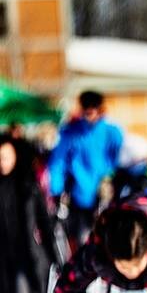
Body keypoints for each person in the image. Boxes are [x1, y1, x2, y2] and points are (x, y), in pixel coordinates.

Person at [0, 135, 58, 293]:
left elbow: (44, 223)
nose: (2, 162)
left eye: (6, 157)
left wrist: (54, 256)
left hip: (23, 258)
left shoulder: (27, 184)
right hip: (0, 260)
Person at [47, 91, 124, 248]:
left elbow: (121, 157)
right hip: (78, 196)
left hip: (104, 192)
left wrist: (111, 177)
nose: (89, 114)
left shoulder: (112, 132)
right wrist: (57, 189)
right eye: (86, 110)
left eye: (93, 110)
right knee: (83, 238)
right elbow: (58, 162)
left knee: (108, 235)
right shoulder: (70, 132)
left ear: (100, 109)